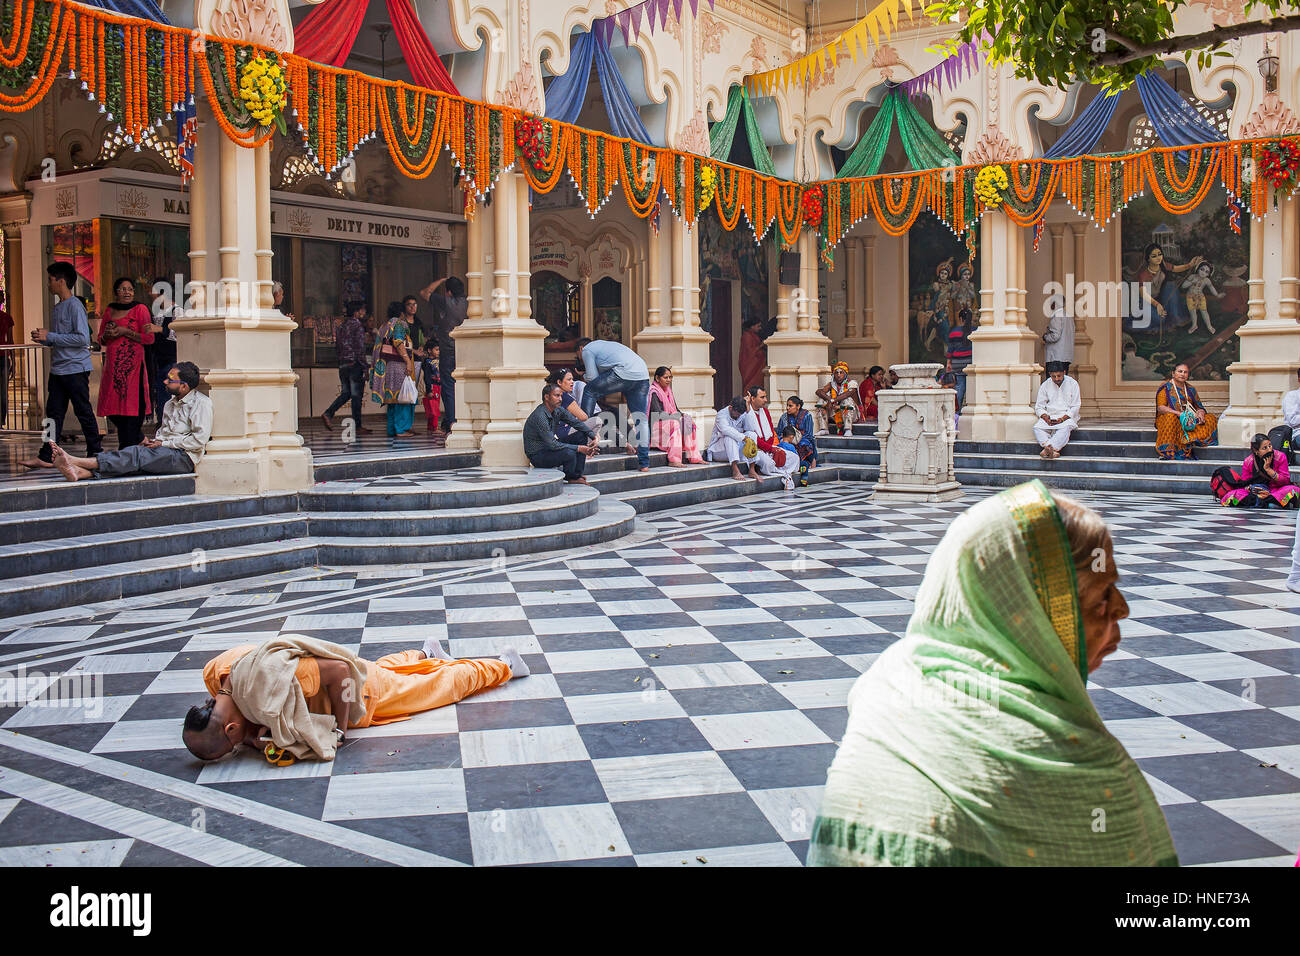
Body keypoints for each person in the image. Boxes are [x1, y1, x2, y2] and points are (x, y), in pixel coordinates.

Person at [807, 480, 1177, 867]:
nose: (1122, 609)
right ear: (1032, 615)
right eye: (1102, 595)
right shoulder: (1076, 768)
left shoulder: (890, 683)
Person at [182, 635, 527, 763]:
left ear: (230, 729)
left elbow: (339, 673)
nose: (237, 749)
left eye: (231, 749)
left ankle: (504, 665)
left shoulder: (277, 683)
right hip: (360, 671)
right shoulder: (217, 671)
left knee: (439, 687)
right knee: (384, 671)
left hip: (360, 691)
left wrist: (341, 731)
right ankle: (423, 651)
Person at [48, 361, 212, 481]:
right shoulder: (170, 403)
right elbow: (164, 431)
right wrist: (156, 441)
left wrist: (164, 444)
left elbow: (198, 440)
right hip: (166, 451)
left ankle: (76, 461)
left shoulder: (201, 404)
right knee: (135, 456)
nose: (165, 381)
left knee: (136, 455)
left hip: (184, 458)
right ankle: (82, 473)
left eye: (171, 379)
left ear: (184, 386)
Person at [22, 262, 102, 469]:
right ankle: (47, 454)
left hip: (75, 368)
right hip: (59, 368)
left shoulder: (75, 305)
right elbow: (62, 338)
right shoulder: (58, 308)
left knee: (83, 411)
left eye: (50, 279)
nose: (48, 283)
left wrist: (52, 336)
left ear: (61, 281)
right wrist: (46, 339)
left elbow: (82, 338)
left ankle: (96, 452)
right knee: (53, 414)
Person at [94, 277, 154, 450]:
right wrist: (108, 335)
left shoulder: (140, 309)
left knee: (131, 409)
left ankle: (127, 448)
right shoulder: (109, 310)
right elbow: (101, 339)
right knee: (112, 408)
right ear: (116, 292)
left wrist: (125, 331)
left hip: (133, 366)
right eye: (123, 289)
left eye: (130, 289)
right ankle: (136, 437)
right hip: (113, 366)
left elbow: (149, 338)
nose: (127, 292)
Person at [576, 336, 650, 472]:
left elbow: (593, 379)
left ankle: (584, 439)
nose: (581, 359)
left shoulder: (587, 350)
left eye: (579, 357)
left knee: (589, 391)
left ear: (580, 349)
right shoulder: (605, 347)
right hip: (642, 375)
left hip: (623, 372)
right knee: (641, 419)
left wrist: (584, 375)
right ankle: (644, 463)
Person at [419, 276, 467, 434]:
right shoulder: (469, 303)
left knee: (448, 387)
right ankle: (453, 421)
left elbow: (424, 292)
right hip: (466, 350)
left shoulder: (446, 302)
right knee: (463, 386)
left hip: (448, 350)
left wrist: (440, 280)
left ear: (449, 292)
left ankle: (452, 421)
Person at [524, 383, 599, 484]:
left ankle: (577, 475)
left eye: (561, 396)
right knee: (570, 452)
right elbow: (553, 445)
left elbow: (575, 422)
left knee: (581, 435)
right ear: (546, 397)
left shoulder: (558, 410)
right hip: (538, 455)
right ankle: (571, 477)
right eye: (557, 395)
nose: (560, 399)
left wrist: (593, 436)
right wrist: (579, 448)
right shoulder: (540, 416)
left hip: (549, 448)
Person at [320, 300, 370, 434]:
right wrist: (365, 367)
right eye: (362, 310)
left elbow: (338, 347)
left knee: (347, 393)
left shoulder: (341, 326)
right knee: (356, 396)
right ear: (357, 312)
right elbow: (360, 348)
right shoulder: (357, 326)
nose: (364, 313)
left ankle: (329, 413)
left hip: (343, 364)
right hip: (354, 365)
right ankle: (357, 426)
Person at [370, 301, 416, 437]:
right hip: (398, 365)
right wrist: (407, 361)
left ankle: (392, 428)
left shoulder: (385, 325)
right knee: (403, 397)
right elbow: (398, 342)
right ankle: (401, 429)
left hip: (388, 366)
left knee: (392, 399)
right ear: (402, 312)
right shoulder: (399, 324)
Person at [1156, 362, 1218, 460]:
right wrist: (1179, 414)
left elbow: (1199, 406)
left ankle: (1190, 438)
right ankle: (1169, 449)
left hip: (1189, 419)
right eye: (1180, 371)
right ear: (1173, 373)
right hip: (1172, 418)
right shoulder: (1166, 387)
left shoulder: (1190, 389)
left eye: (1185, 372)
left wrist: (1200, 413)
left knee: (1210, 418)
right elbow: (1161, 407)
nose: (1182, 374)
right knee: (1169, 417)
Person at [1217, 434, 1300, 508]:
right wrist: (1253, 490)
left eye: (1270, 446)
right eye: (1264, 448)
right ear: (1256, 451)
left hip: (1276, 490)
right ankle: (1268, 502)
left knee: (1293, 490)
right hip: (1257, 491)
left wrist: (1268, 470)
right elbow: (1245, 483)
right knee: (1231, 495)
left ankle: (1264, 501)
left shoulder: (1280, 457)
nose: (1269, 450)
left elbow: (1285, 480)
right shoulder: (1249, 461)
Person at [648, 366, 704, 466]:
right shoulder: (653, 392)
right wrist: (675, 417)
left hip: (667, 423)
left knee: (687, 420)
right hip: (656, 428)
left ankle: (694, 457)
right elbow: (658, 414)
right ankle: (674, 460)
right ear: (657, 378)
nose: (669, 380)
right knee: (675, 423)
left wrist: (683, 416)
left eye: (670, 377)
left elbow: (676, 410)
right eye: (666, 377)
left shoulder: (668, 391)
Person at [145, 277, 179, 426]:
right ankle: (161, 424)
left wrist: (160, 330)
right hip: (157, 360)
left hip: (171, 361)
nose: (150, 294)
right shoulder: (157, 312)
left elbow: (180, 335)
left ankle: (168, 426)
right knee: (160, 394)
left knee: (168, 395)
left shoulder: (177, 311)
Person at [1033, 361, 1081, 460]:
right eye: (1053, 376)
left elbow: (1076, 406)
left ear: (1064, 372)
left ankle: (1048, 448)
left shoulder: (1073, 383)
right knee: (1037, 427)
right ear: (1050, 374)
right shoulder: (1045, 385)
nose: (1056, 379)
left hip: (1067, 417)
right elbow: (1039, 406)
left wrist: (1062, 419)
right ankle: (1052, 450)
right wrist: (1045, 417)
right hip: (1050, 416)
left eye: (1059, 376)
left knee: (1066, 428)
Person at [707, 396, 760, 481]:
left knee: (752, 434)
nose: (739, 416)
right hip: (720, 451)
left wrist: (748, 408)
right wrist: (744, 438)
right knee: (729, 436)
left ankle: (752, 469)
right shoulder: (721, 414)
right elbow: (726, 430)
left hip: (736, 449)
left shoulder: (741, 413)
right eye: (737, 413)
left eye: (741, 414)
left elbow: (752, 427)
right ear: (731, 408)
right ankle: (735, 470)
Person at [546, 367, 596, 444]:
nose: (572, 382)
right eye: (569, 380)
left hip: (553, 434)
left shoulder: (550, 394)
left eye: (572, 379)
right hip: (564, 433)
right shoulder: (564, 396)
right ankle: (588, 448)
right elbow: (583, 417)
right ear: (559, 382)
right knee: (597, 421)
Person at [776, 396, 817, 487]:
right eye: (787, 405)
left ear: (798, 406)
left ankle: (808, 462)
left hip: (803, 440)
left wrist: (796, 440)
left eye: (790, 406)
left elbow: (809, 434)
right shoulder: (784, 417)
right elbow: (779, 432)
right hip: (788, 440)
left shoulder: (807, 416)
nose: (787, 408)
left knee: (805, 445)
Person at [814, 362, 859, 435]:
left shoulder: (852, 383)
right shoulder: (832, 384)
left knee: (847, 400)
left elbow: (847, 394)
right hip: (834, 414)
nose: (838, 375)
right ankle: (824, 429)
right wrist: (829, 399)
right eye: (836, 373)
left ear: (845, 374)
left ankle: (848, 429)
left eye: (841, 373)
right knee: (821, 400)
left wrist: (832, 400)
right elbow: (818, 392)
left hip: (852, 415)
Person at [948, 308, 976, 408]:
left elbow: (950, 350)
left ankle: (957, 410)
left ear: (960, 318)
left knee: (960, 386)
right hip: (971, 363)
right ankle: (971, 408)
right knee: (972, 386)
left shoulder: (954, 332)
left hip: (957, 364)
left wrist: (948, 363)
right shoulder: (975, 331)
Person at [738, 317, 767, 393]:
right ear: (752, 326)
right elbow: (749, 352)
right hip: (750, 366)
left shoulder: (754, 335)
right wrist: (761, 345)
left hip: (758, 365)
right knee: (750, 386)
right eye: (758, 326)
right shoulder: (747, 336)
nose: (760, 328)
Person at [1042, 305, 1074, 370]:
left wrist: (1045, 337)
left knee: (1053, 379)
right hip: (1066, 356)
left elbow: (1055, 336)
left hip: (1055, 356)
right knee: (1063, 379)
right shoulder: (1068, 316)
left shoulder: (1057, 316)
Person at [0, 289, 11, 428]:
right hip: (3, 357)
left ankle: (1, 421)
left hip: (3, 357)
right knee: (3, 392)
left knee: (3, 392)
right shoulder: (7, 317)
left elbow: (11, 341)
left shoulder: (7, 318)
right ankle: (1, 421)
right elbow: (11, 341)